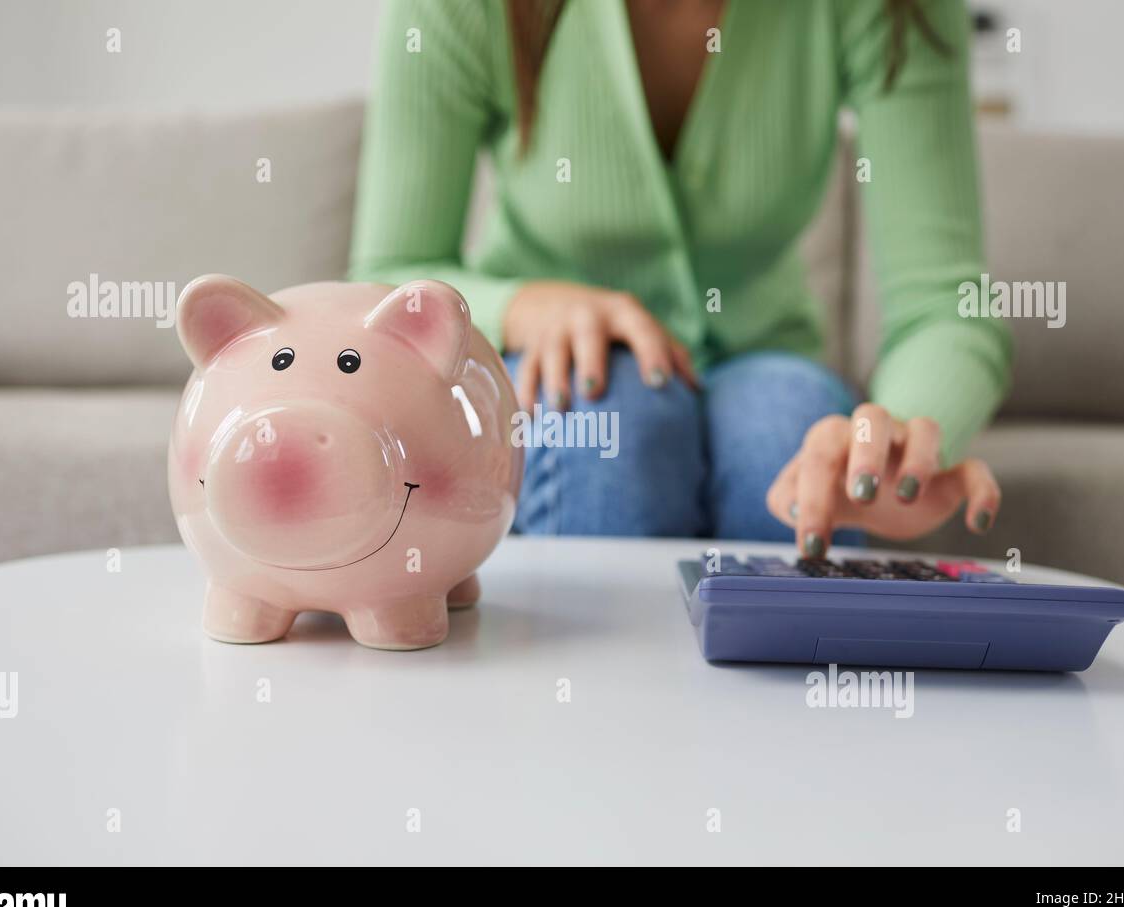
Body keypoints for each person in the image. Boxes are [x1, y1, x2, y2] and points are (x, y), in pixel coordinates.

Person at [351, 0, 1011, 556]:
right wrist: (525, 306)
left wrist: (894, 443)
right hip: (566, 373)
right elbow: (385, 279)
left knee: (790, 437)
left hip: (765, 356)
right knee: (608, 427)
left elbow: (943, 303)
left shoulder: (894, 11)